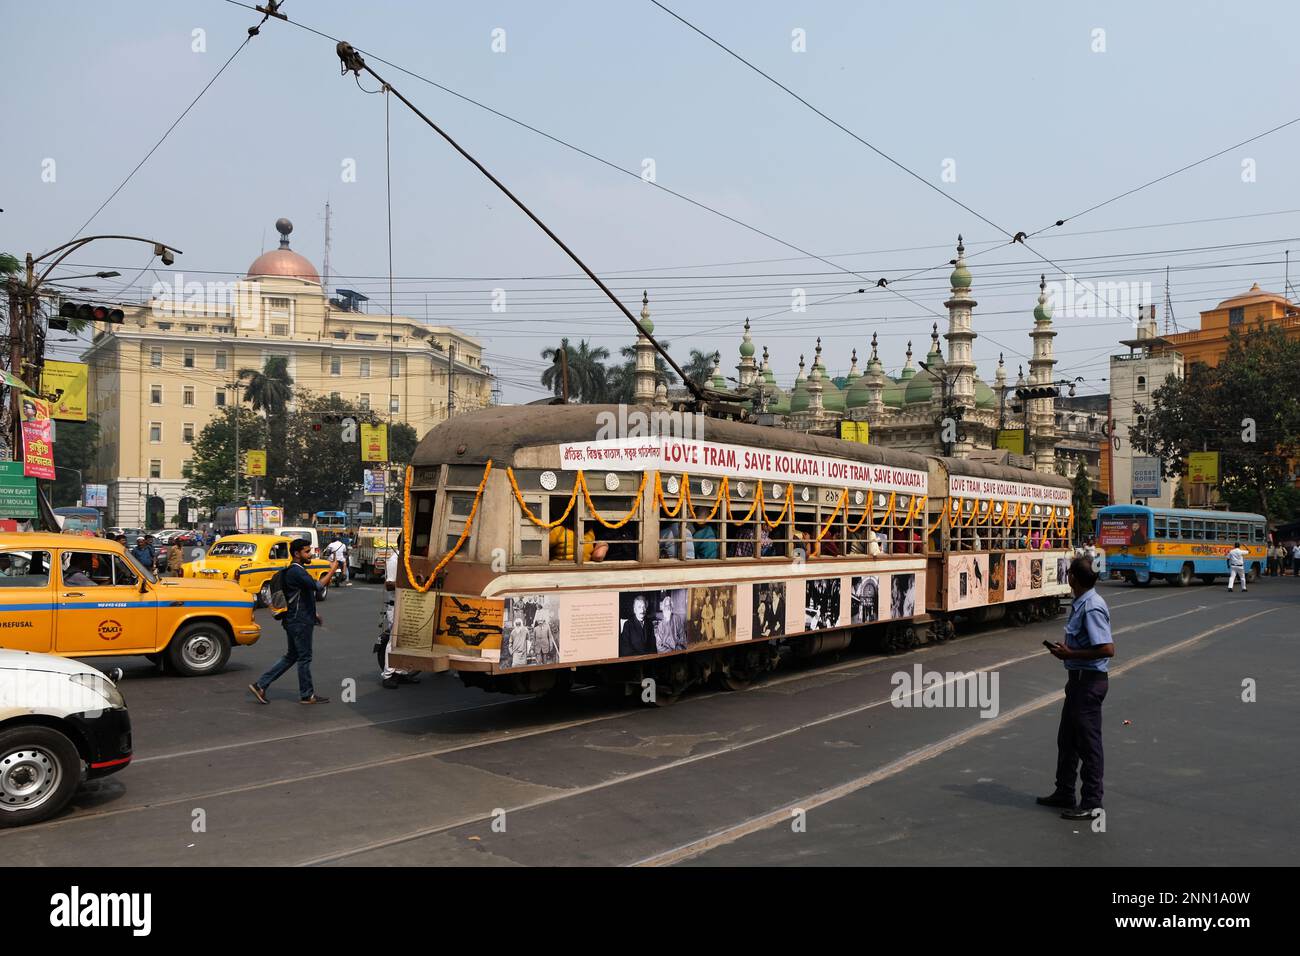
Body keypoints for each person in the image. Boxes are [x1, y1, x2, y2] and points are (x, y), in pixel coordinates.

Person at [1040, 556, 1115, 820]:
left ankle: (1093, 802)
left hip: (1089, 682)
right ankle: (1065, 791)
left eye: (1069, 573)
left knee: (1088, 744)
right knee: (1068, 740)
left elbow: (1107, 649)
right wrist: (1069, 653)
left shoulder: (1092, 607)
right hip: (1078, 681)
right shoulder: (1082, 602)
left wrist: (1070, 653)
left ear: (1073, 578)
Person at [249, 539, 335, 704]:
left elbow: (301, 595)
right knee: (304, 657)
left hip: (295, 619)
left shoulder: (295, 570)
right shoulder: (296, 571)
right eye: (307, 551)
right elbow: (317, 587)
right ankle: (306, 694)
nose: (310, 554)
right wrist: (332, 570)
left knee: (292, 656)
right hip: (299, 621)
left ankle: (261, 684)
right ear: (297, 554)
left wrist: (314, 612)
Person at [378, 544, 419, 688]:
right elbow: (389, 585)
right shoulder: (394, 560)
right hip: (395, 605)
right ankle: (387, 675)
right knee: (394, 642)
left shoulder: (405, 560)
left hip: (405, 605)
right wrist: (410, 583)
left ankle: (401, 672)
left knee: (405, 641)